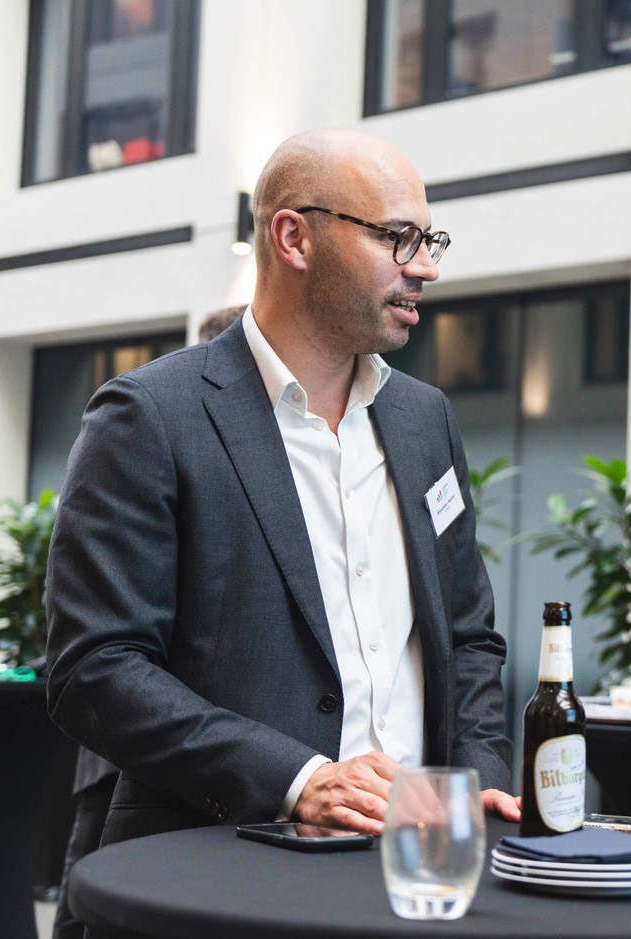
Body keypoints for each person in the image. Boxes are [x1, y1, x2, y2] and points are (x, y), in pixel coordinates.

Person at [46, 130, 519, 860]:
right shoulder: (150, 415)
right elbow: (97, 670)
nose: (424, 266)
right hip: (221, 867)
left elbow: (466, 636)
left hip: (419, 865)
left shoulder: (427, 421)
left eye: (430, 239)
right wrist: (299, 779)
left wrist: (480, 779)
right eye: (398, 237)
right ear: (294, 237)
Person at [50, 300, 262, 939]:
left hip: (201, 750)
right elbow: (97, 639)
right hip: (137, 738)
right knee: (94, 877)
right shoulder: (141, 421)